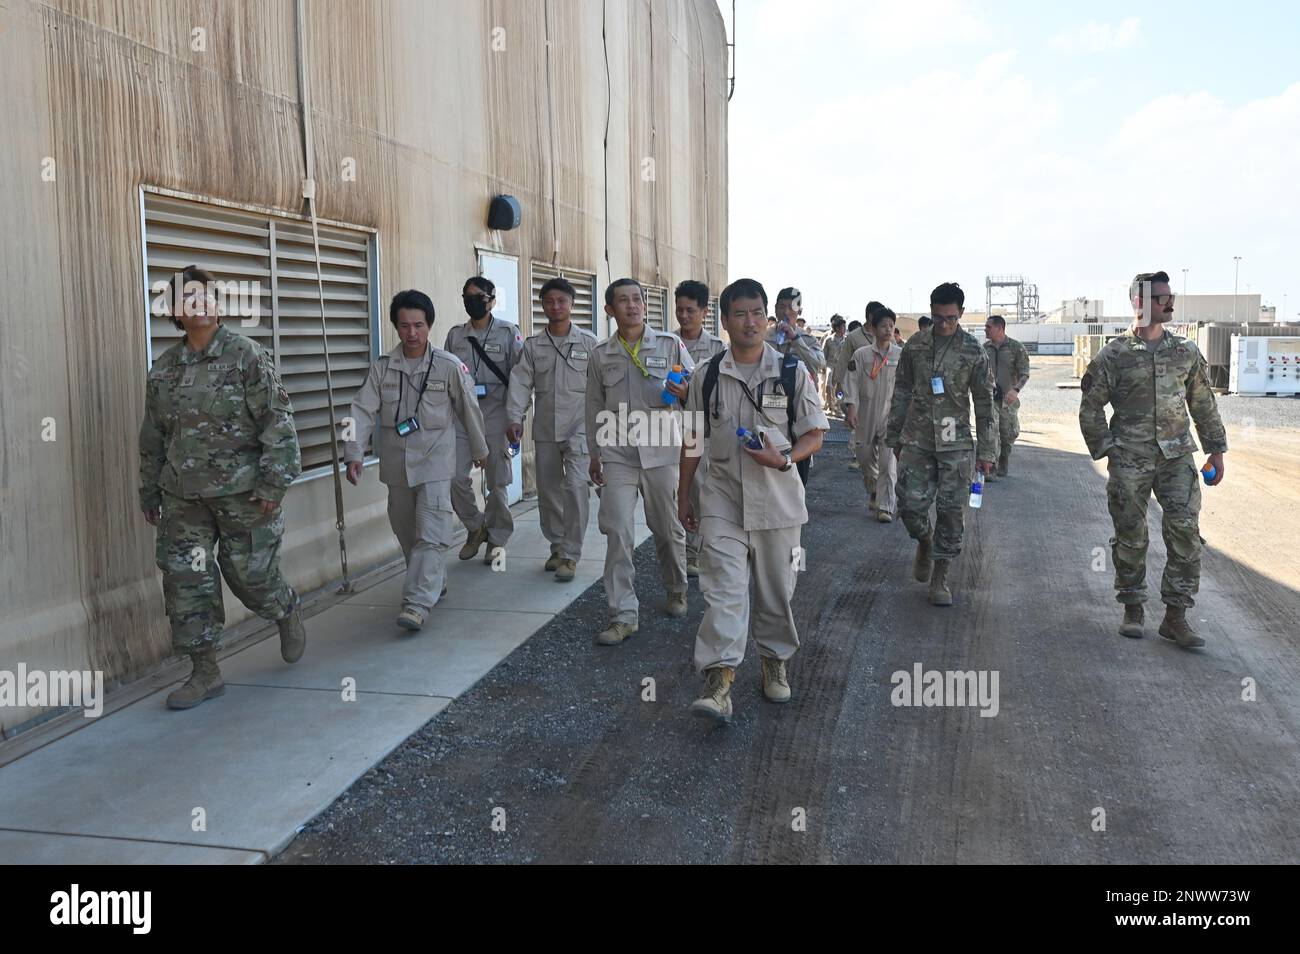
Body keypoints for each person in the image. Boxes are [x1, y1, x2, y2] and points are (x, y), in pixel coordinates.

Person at [140, 265, 306, 710]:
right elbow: (153, 437)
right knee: (187, 582)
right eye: (186, 297)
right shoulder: (164, 370)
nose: (198, 303)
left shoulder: (246, 355)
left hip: (244, 494)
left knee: (250, 578)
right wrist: (149, 492)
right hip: (182, 500)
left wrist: (275, 481)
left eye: (205, 295)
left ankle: (284, 607)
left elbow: (278, 422)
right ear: (175, 311)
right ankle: (204, 673)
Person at [680, 278, 827, 722]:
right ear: (724, 322)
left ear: (768, 317)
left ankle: (774, 660)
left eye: (757, 313)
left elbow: (815, 434)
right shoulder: (706, 376)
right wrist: (683, 496)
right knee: (723, 592)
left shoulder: (791, 372)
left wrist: (783, 459)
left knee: (776, 592)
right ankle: (719, 680)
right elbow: (691, 441)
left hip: (779, 502)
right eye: (740, 314)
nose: (750, 321)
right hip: (722, 500)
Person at [1079, 271, 1227, 648]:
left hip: (1177, 456)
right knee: (1131, 533)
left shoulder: (1186, 353)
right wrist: (1109, 448)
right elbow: (1091, 407)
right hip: (1130, 457)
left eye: (1170, 296)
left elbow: (1203, 403)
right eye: (1162, 297)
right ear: (1139, 302)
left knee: (1185, 532)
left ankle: (1176, 616)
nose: (1169, 303)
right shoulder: (1114, 355)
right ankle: (1133, 606)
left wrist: (1216, 449)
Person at [345, 290, 488, 630]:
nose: (412, 333)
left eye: (419, 326)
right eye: (405, 326)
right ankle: (432, 578)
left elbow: (470, 410)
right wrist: (353, 452)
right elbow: (361, 411)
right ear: (396, 327)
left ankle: (417, 603)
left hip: (437, 463)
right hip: (397, 468)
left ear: (429, 326)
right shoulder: (382, 369)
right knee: (407, 532)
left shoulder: (449, 366)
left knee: (431, 532)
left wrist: (481, 452)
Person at [586, 279, 694, 645]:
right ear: (609, 310)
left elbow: (696, 389)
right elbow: (593, 407)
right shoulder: (601, 355)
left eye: (637, 299)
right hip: (617, 450)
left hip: (662, 448)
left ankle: (676, 586)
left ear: (646, 305)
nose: (632, 306)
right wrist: (594, 453)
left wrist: (685, 397)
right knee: (617, 529)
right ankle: (622, 613)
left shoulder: (669, 344)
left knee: (666, 528)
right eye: (623, 301)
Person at [885, 282, 996, 607]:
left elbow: (985, 403)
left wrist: (987, 451)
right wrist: (894, 436)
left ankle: (940, 576)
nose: (944, 324)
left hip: (956, 444)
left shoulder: (973, 351)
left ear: (961, 313)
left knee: (950, 512)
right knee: (909, 505)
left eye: (950, 317)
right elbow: (902, 390)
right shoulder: (915, 346)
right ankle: (924, 540)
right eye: (937, 318)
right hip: (917, 440)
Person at [505, 278, 598, 582]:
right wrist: (515, 418)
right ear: (542, 305)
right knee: (549, 491)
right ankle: (557, 545)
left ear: (571, 304)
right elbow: (520, 383)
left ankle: (571, 554)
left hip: (580, 428)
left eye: (562, 301)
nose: (555, 307)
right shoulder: (533, 346)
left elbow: (603, 386)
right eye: (549, 301)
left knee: (576, 488)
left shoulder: (589, 343)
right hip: (545, 427)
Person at [444, 276, 524, 564]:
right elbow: (447, 376)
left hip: (497, 414)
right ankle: (476, 527)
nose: (472, 301)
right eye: (467, 296)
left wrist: (517, 416)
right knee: (453, 477)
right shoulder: (455, 335)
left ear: (491, 300)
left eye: (478, 297)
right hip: (463, 416)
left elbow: (521, 378)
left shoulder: (508, 332)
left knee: (497, 482)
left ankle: (498, 538)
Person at [673, 279, 726, 578]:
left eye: (690, 310)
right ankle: (683, 548)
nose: (683, 316)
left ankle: (695, 550)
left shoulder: (718, 350)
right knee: (674, 491)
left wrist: (688, 395)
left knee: (697, 486)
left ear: (705, 312)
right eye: (679, 310)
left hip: (699, 429)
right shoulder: (666, 343)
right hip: (667, 429)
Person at [842, 307, 903, 522]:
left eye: (891, 325)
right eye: (883, 325)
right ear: (874, 328)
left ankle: (886, 506)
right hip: (865, 413)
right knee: (865, 458)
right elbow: (851, 382)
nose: (888, 329)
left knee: (888, 462)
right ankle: (874, 489)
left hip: (891, 415)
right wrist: (851, 408)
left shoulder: (900, 355)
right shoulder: (861, 355)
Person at [837, 303, 886, 468]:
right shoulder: (854, 337)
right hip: (858, 386)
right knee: (858, 422)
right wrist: (838, 383)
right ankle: (858, 457)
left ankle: (874, 456)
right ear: (871, 316)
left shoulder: (885, 334)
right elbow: (843, 361)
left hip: (880, 387)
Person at [983, 314, 1030, 480]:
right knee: (990, 432)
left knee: (1008, 432)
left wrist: (1015, 390)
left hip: (1008, 399)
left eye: (989, 327)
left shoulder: (1016, 348)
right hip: (990, 398)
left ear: (1000, 328)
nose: (985, 329)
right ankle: (991, 466)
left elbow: (1025, 373)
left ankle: (1004, 459)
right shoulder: (985, 349)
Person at [767, 287, 826, 374]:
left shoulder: (808, 340)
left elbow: (818, 366)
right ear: (775, 309)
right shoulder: (763, 337)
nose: (786, 312)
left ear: (799, 311)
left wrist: (796, 339)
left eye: (791, 308)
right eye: (782, 307)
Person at [820, 315, 848, 413]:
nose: (845, 329)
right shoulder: (828, 340)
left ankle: (838, 407)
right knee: (828, 385)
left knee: (840, 388)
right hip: (830, 365)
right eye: (843, 327)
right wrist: (823, 366)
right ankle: (830, 406)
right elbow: (823, 354)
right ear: (837, 328)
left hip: (842, 367)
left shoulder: (847, 341)